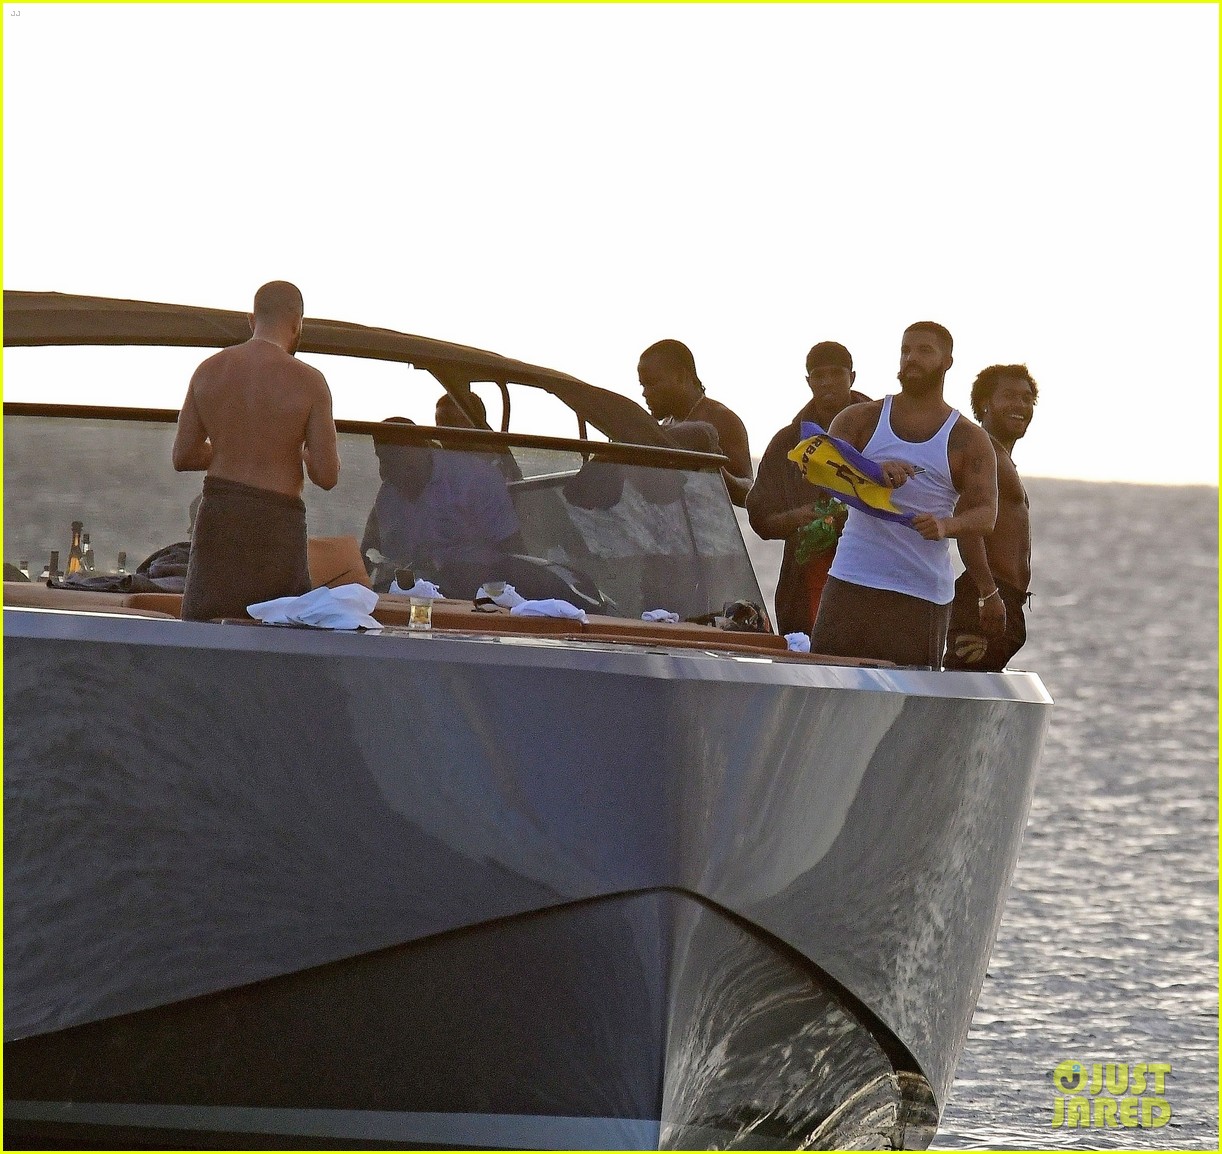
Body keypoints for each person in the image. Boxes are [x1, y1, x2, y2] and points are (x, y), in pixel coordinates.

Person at [809, 321, 998, 668]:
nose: (911, 358)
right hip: (852, 580)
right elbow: (821, 474)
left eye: (925, 351)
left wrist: (945, 526)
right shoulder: (859, 418)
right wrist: (873, 471)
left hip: (920, 592)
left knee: (907, 703)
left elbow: (986, 515)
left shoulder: (967, 439)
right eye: (906, 350)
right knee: (827, 684)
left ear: (947, 362)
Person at [172, 280, 340, 621]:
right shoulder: (309, 381)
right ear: (297, 324)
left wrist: (225, 450)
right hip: (277, 524)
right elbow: (327, 475)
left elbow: (184, 456)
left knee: (206, 632)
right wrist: (303, 453)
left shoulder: (208, 370)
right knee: (278, 639)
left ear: (252, 319)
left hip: (220, 516)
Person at [746, 341, 870, 635]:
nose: (827, 382)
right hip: (805, 578)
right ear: (808, 381)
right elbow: (759, 516)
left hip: (873, 575)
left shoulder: (883, 430)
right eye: (818, 375)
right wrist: (797, 518)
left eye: (836, 374)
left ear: (852, 377)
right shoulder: (787, 441)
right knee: (807, 660)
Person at [944, 364, 1038, 670]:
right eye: (1009, 396)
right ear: (984, 403)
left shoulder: (999, 457)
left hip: (1002, 599)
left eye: (1027, 399)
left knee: (972, 697)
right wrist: (988, 592)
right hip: (983, 600)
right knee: (960, 696)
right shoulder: (985, 455)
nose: (1020, 406)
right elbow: (968, 523)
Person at [361, 417, 522, 594]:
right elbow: (369, 553)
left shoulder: (476, 480)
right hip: (411, 594)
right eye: (384, 459)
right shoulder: (387, 496)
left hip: (475, 595)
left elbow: (514, 554)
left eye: (398, 454)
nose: (387, 469)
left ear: (422, 448)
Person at [637, 339, 753, 506]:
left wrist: (713, 467)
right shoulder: (668, 423)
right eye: (643, 385)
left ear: (681, 376)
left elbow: (748, 492)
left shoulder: (721, 419)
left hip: (708, 531)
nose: (645, 393)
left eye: (653, 383)